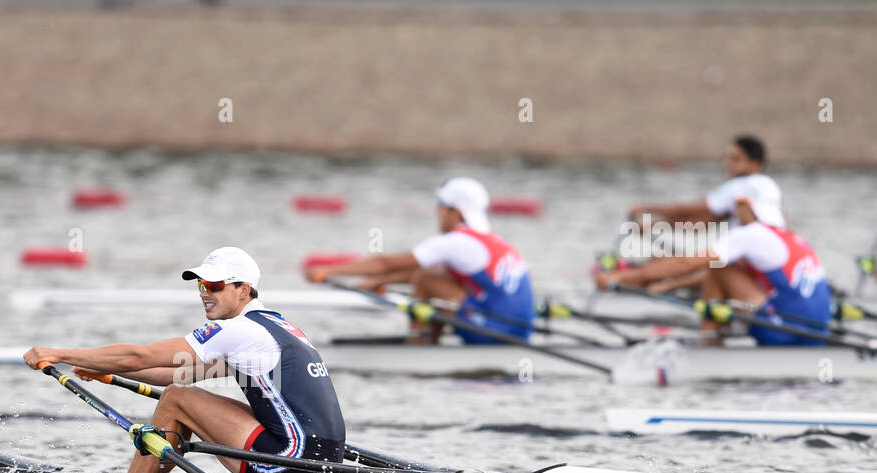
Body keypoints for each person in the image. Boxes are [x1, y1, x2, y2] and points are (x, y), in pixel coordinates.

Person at [23, 246, 345, 473]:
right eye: (201, 285)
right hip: (326, 462)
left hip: (286, 462)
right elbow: (179, 371)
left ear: (243, 290)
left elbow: (141, 357)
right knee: (179, 391)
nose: (205, 293)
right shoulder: (274, 324)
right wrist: (109, 371)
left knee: (176, 398)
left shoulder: (238, 330)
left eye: (215, 286)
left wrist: (61, 353)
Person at [303, 177, 534, 344]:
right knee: (432, 276)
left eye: (440, 207)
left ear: (455, 212)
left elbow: (387, 262)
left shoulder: (457, 242)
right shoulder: (494, 241)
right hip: (520, 331)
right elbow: (424, 272)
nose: (438, 213)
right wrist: (379, 280)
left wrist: (327, 271)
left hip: (495, 331)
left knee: (426, 279)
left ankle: (419, 345)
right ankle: (430, 342)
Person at [593, 198, 830, 346]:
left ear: (752, 210)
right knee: (723, 267)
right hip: (820, 331)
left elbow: (690, 263)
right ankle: (718, 334)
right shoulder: (792, 239)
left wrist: (620, 278)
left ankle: (709, 344)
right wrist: (671, 286)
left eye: (740, 206)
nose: (735, 212)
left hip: (783, 334)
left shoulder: (751, 233)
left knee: (719, 268)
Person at [629, 135, 782, 230]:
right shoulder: (770, 185)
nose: (727, 164)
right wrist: (653, 226)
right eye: (727, 158)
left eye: (734, 159)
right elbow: (703, 223)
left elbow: (686, 210)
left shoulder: (739, 185)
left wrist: (643, 208)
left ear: (755, 164)